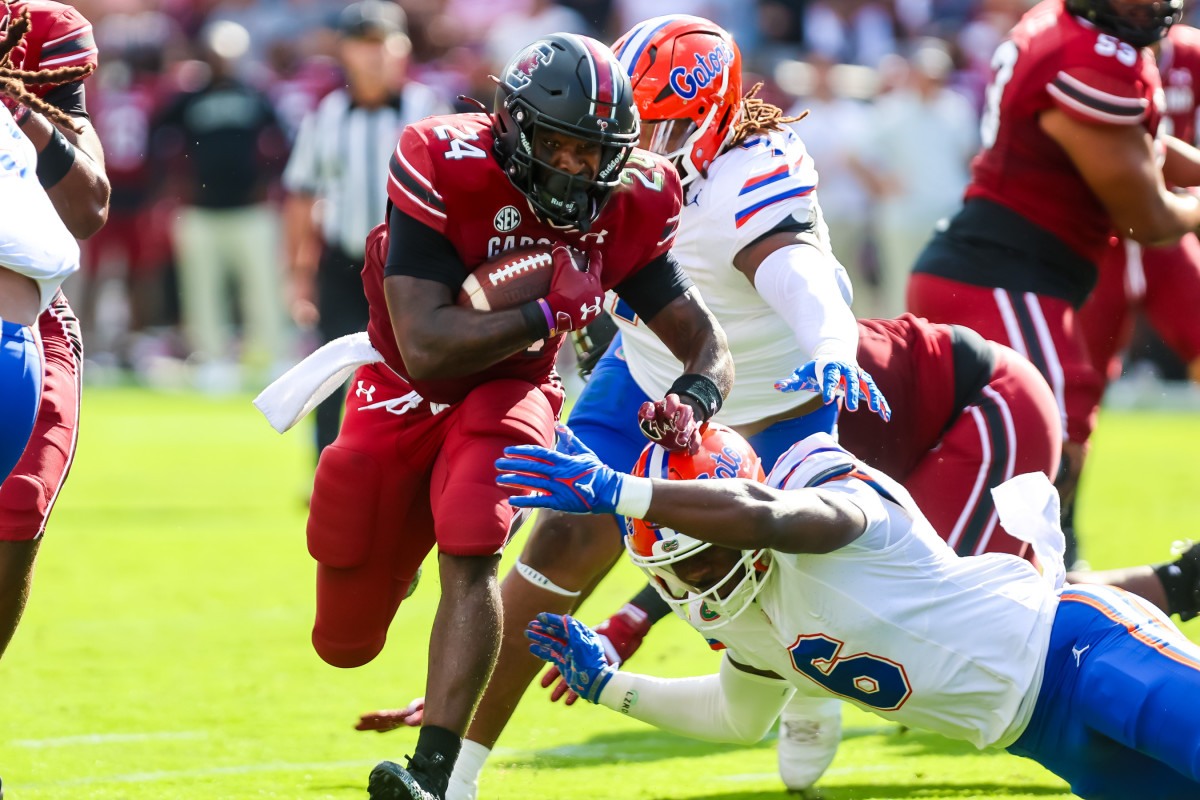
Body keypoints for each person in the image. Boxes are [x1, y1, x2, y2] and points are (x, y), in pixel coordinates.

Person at [377, 16, 887, 798]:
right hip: (650, 372)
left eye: (658, 122)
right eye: (624, 119)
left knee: (781, 569)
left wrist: (831, 344)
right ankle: (457, 771)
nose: (630, 139)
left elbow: (799, 272)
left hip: (776, 393)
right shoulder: (602, 162)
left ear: (707, 115)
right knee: (558, 532)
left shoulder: (753, 167)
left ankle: (811, 688)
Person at [289, 31, 732, 800]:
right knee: (344, 634)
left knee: (474, 537)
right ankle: (383, 575)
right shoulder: (444, 161)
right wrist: (545, 310)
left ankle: (434, 774)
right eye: (559, 146)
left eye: (594, 152)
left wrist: (691, 402)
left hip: (512, 389)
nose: (576, 169)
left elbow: (704, 344)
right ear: (515, 130)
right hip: (404, 384)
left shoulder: (633, 198)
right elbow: (426, 346)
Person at [360, 312, 1061, 793]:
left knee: (980, 632)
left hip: (977, 406)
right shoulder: (629, 369)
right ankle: (454, 778)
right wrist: (467, 667)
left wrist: (632, 620)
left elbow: (742, 525)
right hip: (803, 498)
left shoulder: (756, 370)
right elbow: (671, 539)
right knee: (585, 525)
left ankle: (1160, 593)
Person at [505, 424, 1200, 800]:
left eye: (708, 555)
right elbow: (737, 716)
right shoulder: (735, 619)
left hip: (1085, 657)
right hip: (1044, 742)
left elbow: (768, 514)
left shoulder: (840, 520)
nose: (699, 581)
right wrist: (609, 688)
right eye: (678, 568)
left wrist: (619, 490)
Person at [905, 0, 1200, 568]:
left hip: (992, 272)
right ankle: (1011, 587)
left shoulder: (1067, 29)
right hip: (1005, 278)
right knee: (1051, 442)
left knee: (1015, 443)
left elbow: (1142, 149)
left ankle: (1004, 579)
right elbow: (1149, 220)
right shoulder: (1092, 55)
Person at [0, 6, 109, 798]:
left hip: (30, 324)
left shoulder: (49, 110)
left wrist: (26, 112)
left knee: (19, 506)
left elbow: (91, 207)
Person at [283, 0, 447, 463]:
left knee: (418, 364)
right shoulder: (327, 115)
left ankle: (414, 463)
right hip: (344, 257)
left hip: (410, 261)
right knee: (332, 366)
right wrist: (298, 272)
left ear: (403, 48)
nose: (374, 55)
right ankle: (324, 467)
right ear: (344, 52)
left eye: (382, 43)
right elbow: (300, 194)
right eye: (363, 43)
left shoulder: (427, 109)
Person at [152, 19, 289, 393]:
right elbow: (157, 135)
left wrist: (267, 182)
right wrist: (175, 183)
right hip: (201, 210)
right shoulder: (189, 98)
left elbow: (283, 140)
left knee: (264, 287)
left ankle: (272, 356)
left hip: (251, 209)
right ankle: (212, 360)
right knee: (201, 290)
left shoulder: (255, 95)